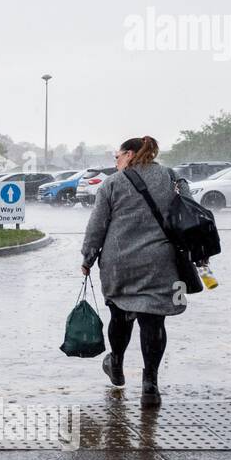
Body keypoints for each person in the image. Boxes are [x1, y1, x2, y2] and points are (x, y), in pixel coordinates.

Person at [80, 136, 190, 407]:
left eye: (117, 156)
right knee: (153, 322)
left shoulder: (113, 184)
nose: (116, 161)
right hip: (160, 261)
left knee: (120, 314)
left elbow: (97, 225)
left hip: (120, 262)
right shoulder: (171, 177)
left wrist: (88, 257)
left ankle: (116, 362)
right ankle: (150, 384)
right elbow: (189, 210)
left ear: (129, 154)